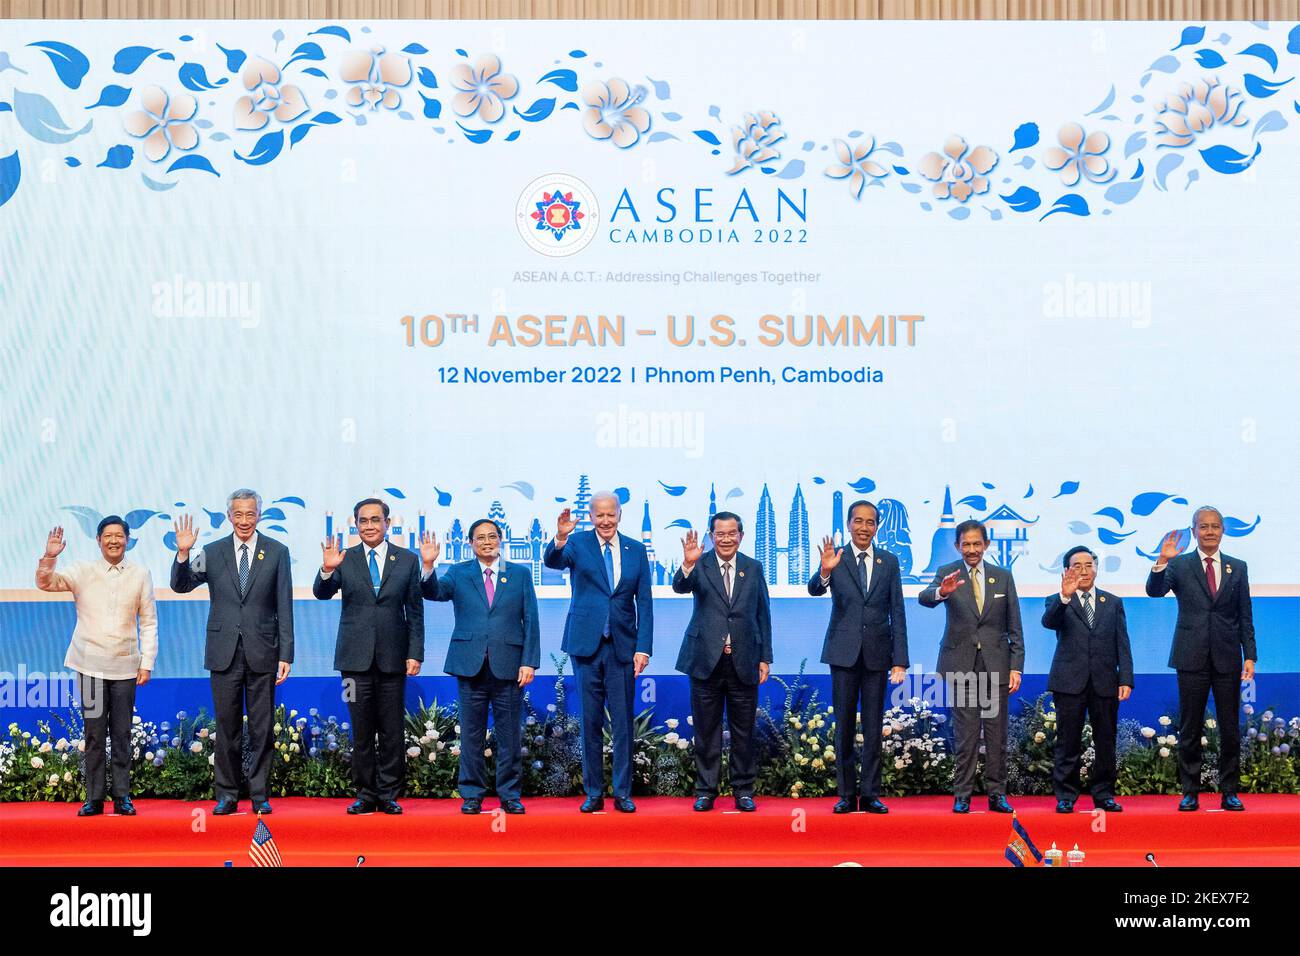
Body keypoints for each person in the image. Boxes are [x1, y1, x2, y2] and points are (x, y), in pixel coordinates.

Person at [171, 490, 292, 815]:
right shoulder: (212, 552)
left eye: (250, 514)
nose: (244, 520)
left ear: (259, 515)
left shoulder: (277, 552)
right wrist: (183, 553)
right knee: (227, 727)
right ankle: (227, 794)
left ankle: (259, 794)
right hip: (223, 651)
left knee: (262, 727)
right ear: (229, 516)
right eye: (238, 514)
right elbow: (181, 585)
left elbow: (284, 605)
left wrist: (286, 654)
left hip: (263, 651)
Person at [36, 518, 157, 817]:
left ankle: (122, 796)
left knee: (122, 734)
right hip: (90, 666)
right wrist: (50, 556)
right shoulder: (82, 570)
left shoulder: (140, 574)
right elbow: (46, 583)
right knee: (93, 734)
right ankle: (94, 798)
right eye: (108, 536)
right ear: (98, 540)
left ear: (127, 539)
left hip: (126, 666)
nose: (114, 541)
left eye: (119, 536)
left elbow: (149, 622)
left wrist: (147, 662)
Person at [543, 492, 652, 813]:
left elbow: (645, 603)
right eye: (599, 515)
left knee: (622, 724)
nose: (605, 521)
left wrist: (643, 648)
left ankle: (622, 793)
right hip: (586, 645)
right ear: (591, 516)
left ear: (619, 515)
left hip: (623, 647)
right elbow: (553, 561)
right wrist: (560, 537)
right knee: (590, 722)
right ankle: (593, 793)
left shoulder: (636, 549)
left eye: (611, 514)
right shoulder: (576, 543)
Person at [421, 520, 539, 815]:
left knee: (509, 735)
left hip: (509, 665)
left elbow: (531, 620)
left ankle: (510, 794)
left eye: (492, 536)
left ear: (501, 539)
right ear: (470, 543)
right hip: (470, 664)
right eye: (480, 538)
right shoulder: (459, 572)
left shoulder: (520, 574)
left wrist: (529, 661)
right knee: (471, 735)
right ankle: (472, 794)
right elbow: (435, 592)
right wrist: (428, 566)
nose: (487, 541)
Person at [314, 498, 423, 815]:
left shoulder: (407, 560)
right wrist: (327, 569)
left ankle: (388, 794)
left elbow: (415, 612)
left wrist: (415, 653)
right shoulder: (343, 558)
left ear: (387, 523)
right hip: (353, 662)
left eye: (376, 520)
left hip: (393, 659)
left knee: (392, 730)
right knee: (360, 729)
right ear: (357, 524)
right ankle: (365, 794)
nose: (370, 526)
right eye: (364, 521)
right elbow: (322, 593)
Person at [1146, 507, 1256, 812]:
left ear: (1223, 531)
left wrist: (1250, 655)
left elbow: (1245, 615)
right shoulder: (1179, 564)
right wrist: (1162, 560)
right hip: (1190, 656)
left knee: (1230, 728)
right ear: (1194, 531)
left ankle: (1229, 791)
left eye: (1215, 526)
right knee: (1190, 728)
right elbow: (1154, 592)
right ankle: (1190, 792)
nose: (1209, 531)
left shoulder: (1238, 567)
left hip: (1227, 658)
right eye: (1203, 526)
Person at [808, 500, 909, 814]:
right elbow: (814, 589)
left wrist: (900, 659)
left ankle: (870, 794)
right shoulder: (836, 557)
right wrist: (825, 571)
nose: (864, 527)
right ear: (849, 524)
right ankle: (845, 794)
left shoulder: (888, 561)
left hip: (877, 655)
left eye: (870, 522)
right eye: (858, 521)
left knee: (874, 727)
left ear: (876, 527)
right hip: (843, 654)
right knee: (844, 728)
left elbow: (897, 611)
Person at [918, 519, 1023, 814]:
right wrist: (943, 592)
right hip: (961, 665)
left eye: (977, 543)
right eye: (966, 544)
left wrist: (1016, 667)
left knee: (996, 735)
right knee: (966, 734)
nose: (972, 549)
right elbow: (925, 598)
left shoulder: (1003, 576)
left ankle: (997, 795)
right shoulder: (946, 573)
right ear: (957, 546)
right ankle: (962, 795)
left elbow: (1015, 626)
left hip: (996, 665)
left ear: (986, 545)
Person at [672, 513, 772, 812]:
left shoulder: (753, 567)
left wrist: (765, 656)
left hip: (745, 658)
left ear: (741, 535)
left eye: (732, 533)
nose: (726, 539)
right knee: (706, 730)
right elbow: (680, 587)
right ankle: (706, 790)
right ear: (711, 536)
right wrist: (688, 563)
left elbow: (762, 614)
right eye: (720, 534)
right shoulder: (699, 564)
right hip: (706, 659)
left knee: (744, 731)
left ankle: (743, 790)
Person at [1042, 546, 1133, 814]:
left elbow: (1122, 643)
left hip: (1105, 681)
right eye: (1077, 566)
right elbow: (1049, 622)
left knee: (1106, 741)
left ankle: (1104, 794)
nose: (1084, 570)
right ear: (1066, 571)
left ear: (1096, 568)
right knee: (1067, 741)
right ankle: (1066, 796)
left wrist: (1125, 678)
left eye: (1088, 564)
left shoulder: (1112, 602)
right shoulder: (1057, 600)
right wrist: (1065, 596)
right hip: (1069, 682)